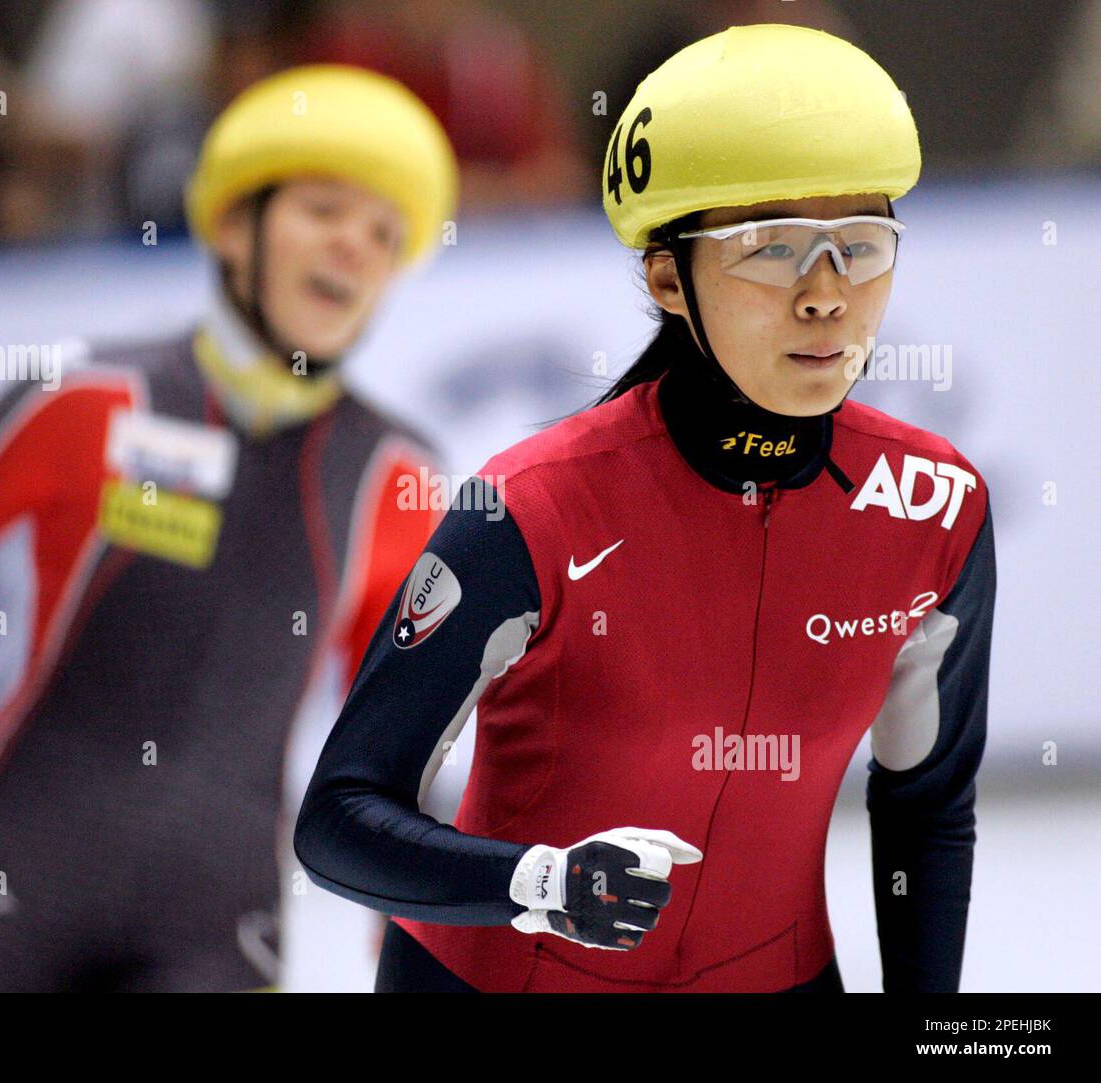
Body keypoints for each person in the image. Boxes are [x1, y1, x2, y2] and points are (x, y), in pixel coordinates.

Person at [294, 24, 996, 993]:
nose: (827, 295)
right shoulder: (528, 511)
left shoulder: (933, 507)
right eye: (770, 249)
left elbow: (927, 806)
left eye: (862, 245)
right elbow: (337, 818)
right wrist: (537, 883)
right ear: (668, 278)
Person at [0, 63, 457, 991]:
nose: (354, 245)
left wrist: (411, 926)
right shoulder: (90, 399)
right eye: (323, 210)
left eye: (383, 234)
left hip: (215, 925)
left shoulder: (401, 476)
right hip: (2, 889)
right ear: (235, 226)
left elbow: (402, 742)